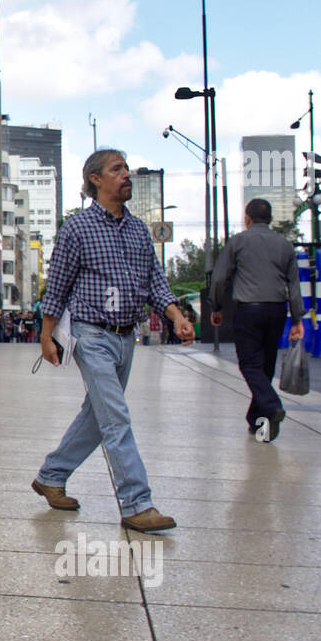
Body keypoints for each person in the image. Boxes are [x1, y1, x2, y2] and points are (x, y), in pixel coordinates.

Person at [32, 150, 196, 532]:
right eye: (116, 169)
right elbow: (56, 288)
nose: (126, 174)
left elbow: (154, 282)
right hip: (90, 334)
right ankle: (137, 503)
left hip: (127, 337)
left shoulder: (139, 229)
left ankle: (52, 476)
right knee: (116, 418)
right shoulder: (77, 228)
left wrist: (177, 316)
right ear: (94, 180)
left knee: (98, 416)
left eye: (127, 168)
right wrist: (46, 337)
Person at [210, 199, 305, 441]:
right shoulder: (285, 245)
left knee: (250, 365)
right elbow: (294, 285)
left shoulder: (238, 242)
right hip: (276, 311)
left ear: (248, 218)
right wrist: (297, 319)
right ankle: (257, 421)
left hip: (248, 310)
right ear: (270, 218)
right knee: (265, 366)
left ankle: (272, 407)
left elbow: (220, 278)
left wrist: (216, 306)